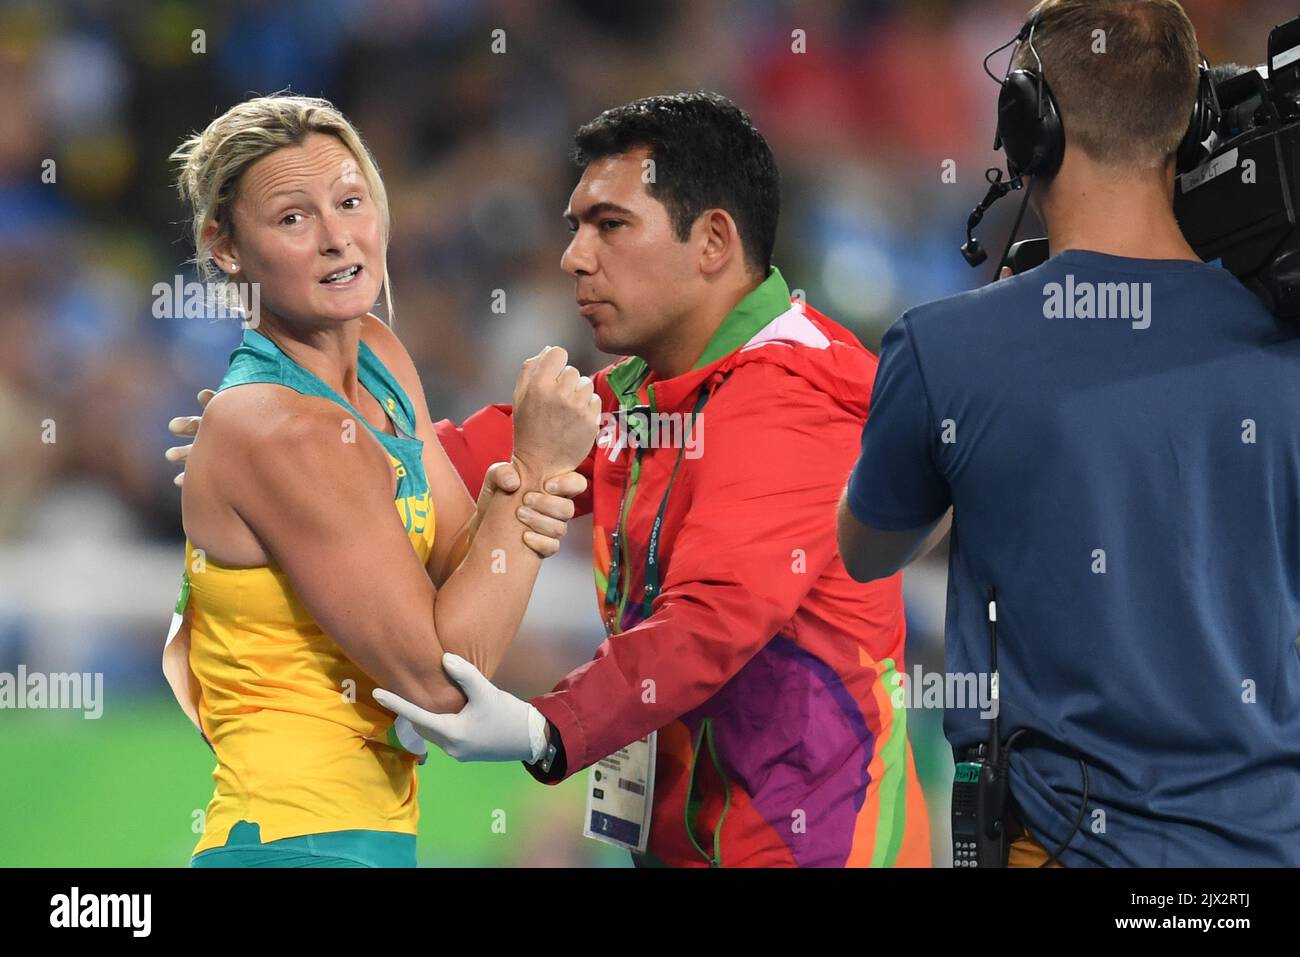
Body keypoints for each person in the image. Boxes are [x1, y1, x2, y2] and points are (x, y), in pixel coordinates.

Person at [377, 93, 932, 867]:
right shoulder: (650, 391)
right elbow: (458, 466)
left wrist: (546, 726)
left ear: (711, 241)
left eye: (609, 225)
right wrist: (307, 435)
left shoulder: (796, 395)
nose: (574, 256)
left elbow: (708, 620)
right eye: (576, 226)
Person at [837, 0, 1300, 866]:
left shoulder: (947, 348)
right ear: (1190, 122)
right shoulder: (1283, 342)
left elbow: (865, 551)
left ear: (1027, 125)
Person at [166, 94, 598, 868]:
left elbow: (468, 567)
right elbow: (445, 685)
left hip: (365, 844)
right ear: (224, 246)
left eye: (351, 200)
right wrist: (534, 473)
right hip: (291, 847)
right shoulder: (274, 426)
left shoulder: (377, 352)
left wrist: (519, 502)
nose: (338, 238)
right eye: (293, 218)